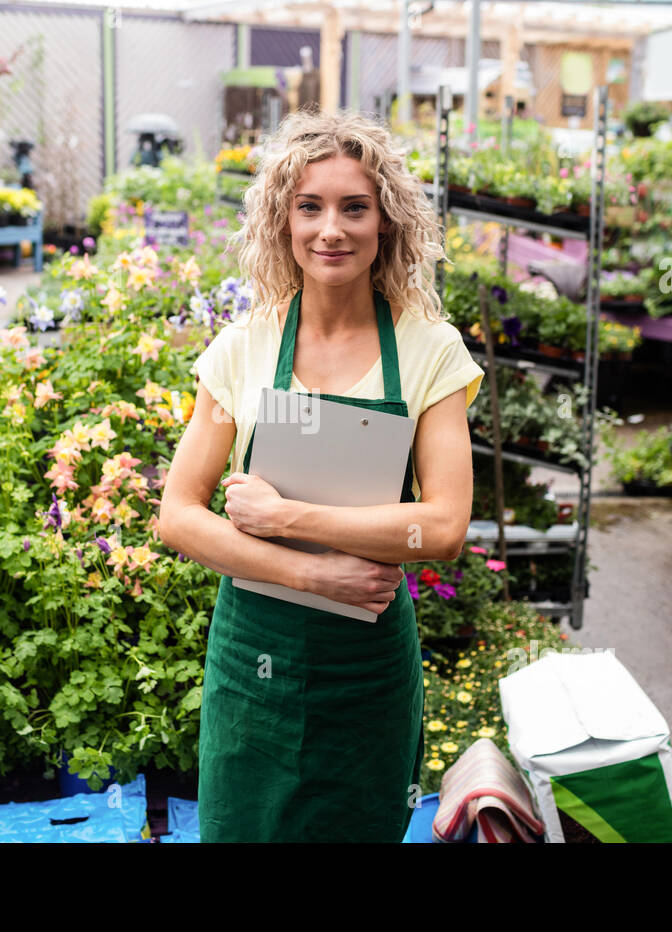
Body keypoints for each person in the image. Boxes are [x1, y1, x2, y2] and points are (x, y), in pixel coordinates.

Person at [157, 110, 484, 842]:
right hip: (253, 660)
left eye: (354, 208)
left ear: (386, 224)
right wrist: (310, 575)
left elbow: (443, 527)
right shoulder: (244, 347)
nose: (330, 229)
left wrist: (287, 518)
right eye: (310, 207)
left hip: (366, 669)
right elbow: (178, 514)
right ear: (284, 221)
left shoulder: (428, 350)